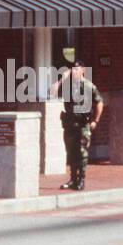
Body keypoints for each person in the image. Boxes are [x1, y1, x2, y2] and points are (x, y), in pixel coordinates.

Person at [49, 59, 104, 190]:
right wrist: (62, 79)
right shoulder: (67, 85)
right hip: (70, 124)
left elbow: (99, 102)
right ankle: (73, 179)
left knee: (82, 153)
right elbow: (51, 92)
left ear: (83, 70)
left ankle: (81, 180)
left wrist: (95, 121)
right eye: (72, 69)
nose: (74, 71)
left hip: (83, 125)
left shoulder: (89, 86)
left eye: (77, 69)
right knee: (71, 153)